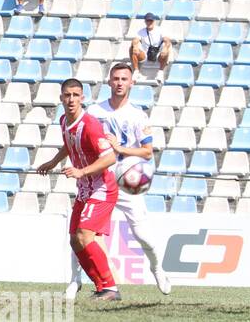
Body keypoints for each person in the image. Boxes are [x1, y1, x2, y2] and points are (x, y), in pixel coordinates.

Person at [86, 63, 170, 297]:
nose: (120, 82)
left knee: (142, 234)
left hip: (126, 181)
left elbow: (147, 151)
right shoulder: (94, 112)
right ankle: (83, 282)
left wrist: (119, 148)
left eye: (124, 79)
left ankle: (157, 268)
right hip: (100, 180)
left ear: (131, 83)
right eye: (116, 78)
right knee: (83, 232)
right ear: (109, 82)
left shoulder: (137, 115)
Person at [35, 78, 120, 301]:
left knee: (84, 234)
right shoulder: (64, 121)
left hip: (102, 189)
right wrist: (53, 161)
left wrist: (82, 171)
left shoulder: (90, 125)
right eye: (67, 95)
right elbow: (69, 144)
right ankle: (102, 286)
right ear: (61, 98)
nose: (71, 99)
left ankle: (110, 287)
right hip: (85, 190)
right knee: (74, 239)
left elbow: (110, 157)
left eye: (75, 95)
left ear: (82, 98)